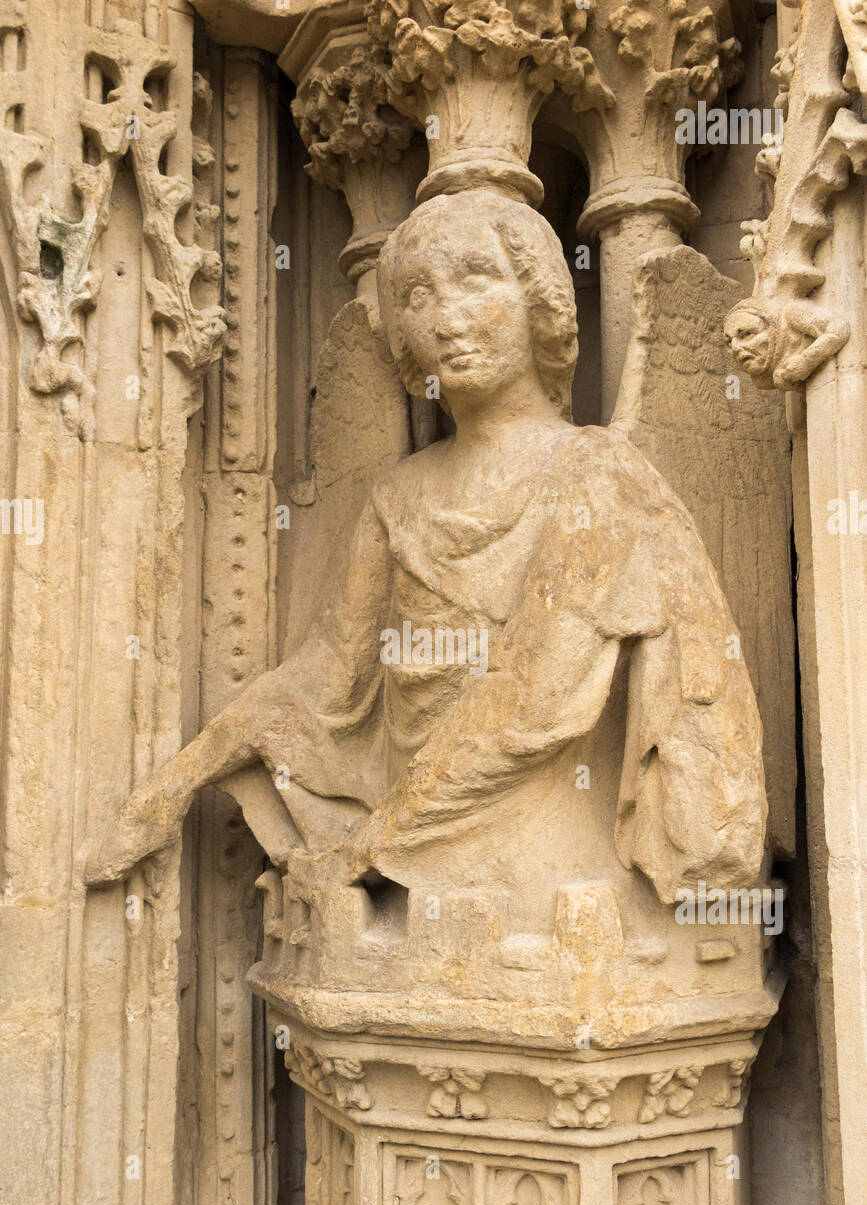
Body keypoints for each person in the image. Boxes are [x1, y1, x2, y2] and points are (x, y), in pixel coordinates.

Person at [86, 189, 766, 919]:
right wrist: (173, 785)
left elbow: (533, 696)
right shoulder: (398, 494)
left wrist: (373, 846)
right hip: (410, 832)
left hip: (542, 853)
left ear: (539, 297)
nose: (445, 317)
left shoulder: (597, 474)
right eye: (415, 293)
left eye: (476, 277)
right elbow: (327, 678)